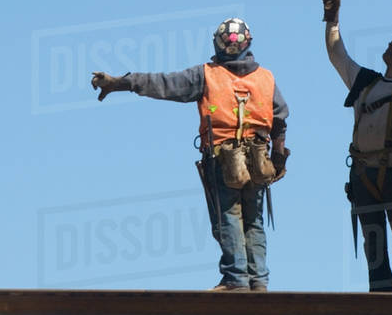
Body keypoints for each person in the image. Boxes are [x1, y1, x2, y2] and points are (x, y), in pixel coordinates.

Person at [91, 17, 289, 292]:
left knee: (228, 217)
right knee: (254, 221)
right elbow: (280, 119)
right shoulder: (266, 78)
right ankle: (258, 282)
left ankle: (236, 280)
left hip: (224, 159)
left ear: (217, 45)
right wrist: (277, 158)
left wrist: (121, 83)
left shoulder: (207, 75)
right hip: (258, 160)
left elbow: (164, 83)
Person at [321, 0, 392, 293]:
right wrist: (332, 20)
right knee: (373, 240)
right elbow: (337, 55)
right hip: (364, 173)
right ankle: (381, 295)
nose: (391, 45)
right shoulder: (366, 82)